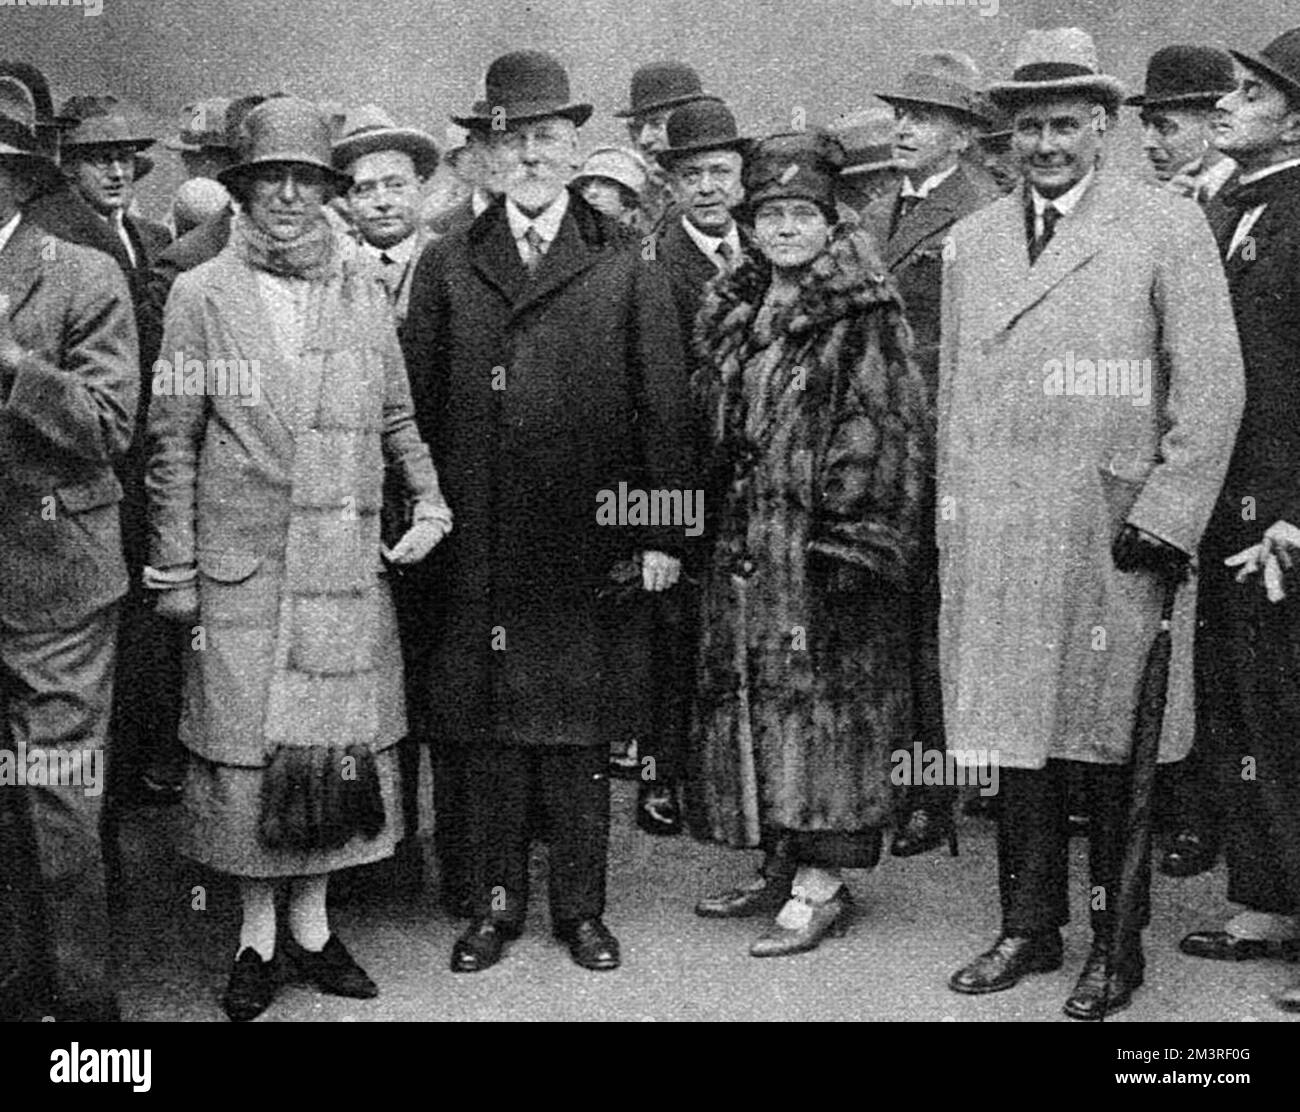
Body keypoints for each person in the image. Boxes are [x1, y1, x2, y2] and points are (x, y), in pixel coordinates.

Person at [939, 28, 1244, 1020]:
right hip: (1004, 528)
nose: (1044, 145)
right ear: (1006, 136)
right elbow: (954, 396)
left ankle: (1116, 944)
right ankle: (1026, 926)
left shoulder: (1162, 225)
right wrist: (954, 516)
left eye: (1065, 124)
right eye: (1027, 127)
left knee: (1112, 746)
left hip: (1112, 531)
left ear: (1103, 127)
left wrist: (1167, 515)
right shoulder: (973, 241)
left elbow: (1212, 391)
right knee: (1017, 737)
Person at [145, 96, 451, 1022]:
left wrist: (430, 497)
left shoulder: (359, 287)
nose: (287, 196)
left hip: (342, 562)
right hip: (245, 570)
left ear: (329, 193)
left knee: (331, 749)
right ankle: (253, 938)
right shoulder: (201, 295)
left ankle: (313, 933)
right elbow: (171, 441)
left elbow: (397, 416)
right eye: (268, 179)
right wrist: (177, 569)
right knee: (248, 757)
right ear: (241, 191)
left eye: (305, 181)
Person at [401, 50, 694, 974]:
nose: (531, 154)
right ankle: (494, 910)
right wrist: (426, 513)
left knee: (578, 733)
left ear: (574, 149)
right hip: (480, 537)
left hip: (587, 537)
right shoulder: (450, 261)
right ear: (488, 152)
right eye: (514, 138)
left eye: (548, 138)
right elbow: (414, 401)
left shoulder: (626, 257)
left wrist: (660, 531)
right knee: (486, 730)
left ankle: (582, 912)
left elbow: (665, 407)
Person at [690, 130, 927, 957]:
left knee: (829, 714)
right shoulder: (735, 304)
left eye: (802, 214)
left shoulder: (865, 311)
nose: (785, 228)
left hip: (824, 557)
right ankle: (777, 859)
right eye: (769, 214)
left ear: (831, 222)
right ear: (750, 224)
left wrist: (855, 545)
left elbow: (891, 433)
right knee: (759, 703)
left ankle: (822, 882)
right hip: (747, 550)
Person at [0, 74, 139, 1021]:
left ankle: (83, 1017)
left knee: (56, 800)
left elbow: (111, 422)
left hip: (54, 583)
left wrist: (16, 367)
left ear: (14, 178)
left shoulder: (82, 273)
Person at [1177, 28, 1300, 1012]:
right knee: (1243, 703)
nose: (1225, 104)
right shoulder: (1227, 202)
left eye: (1252, 93)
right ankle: (1266, 899)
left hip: (1284, 520)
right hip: (1227, 508)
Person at [864, 50, 1002, 860]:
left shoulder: (983, 211)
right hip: (876, 443)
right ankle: (896, 777)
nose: (905, 127)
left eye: (925, 117)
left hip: (942, 443)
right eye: (901, 114)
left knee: (932, 623)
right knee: (888, 615)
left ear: (962, 133)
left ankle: (933, 792)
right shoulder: (879, 209)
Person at [1122, 44, 1239, 881]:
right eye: (1149, 126)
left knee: (1228, 652)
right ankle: (1180, 807)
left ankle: (1211, 814)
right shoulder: (1158, 206)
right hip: (1170, 444)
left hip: (1241, 456)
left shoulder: (1241, 203)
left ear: (1211, 121)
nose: (1154, 141)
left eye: (1167, 124)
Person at [329, 103, 443, 903]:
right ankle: (373, 844)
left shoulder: (453, 262)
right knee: (365, 680)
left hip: (438, 498)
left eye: (394, 184)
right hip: (352, 504)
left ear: (422, 189)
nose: (379, 200)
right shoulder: (327, 274)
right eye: (363, 187)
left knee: (440, 676)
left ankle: (446, 842)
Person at [631, 98, 750, 836]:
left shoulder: (771, 250)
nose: (707, 187)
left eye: (720, 172)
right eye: (692, 174)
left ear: (741, 179)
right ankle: (662, 772)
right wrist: (662, 523)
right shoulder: (647, 263)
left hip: (755, 474)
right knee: (668, 633)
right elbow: (648, 400)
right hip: (679, 473)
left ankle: (738, 774)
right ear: (670, 184)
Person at [615, 61, 719, 234]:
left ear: (691, 123)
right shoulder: (639, 202)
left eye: (656, 123)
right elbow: (648, 254)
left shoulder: (731, 190)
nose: (644, 139)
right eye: (637, 128)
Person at [1130, 46, 1237, 204]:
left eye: (1164, 127)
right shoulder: (1165, 197)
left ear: (1216, 124)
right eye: (1146, 125)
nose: (1148, 143)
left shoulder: (1248, 194)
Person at [572, 146, 648, 229]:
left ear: (627, 196)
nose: (591, 192)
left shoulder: (647, 240)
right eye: (585, 185)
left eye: (605, 183)